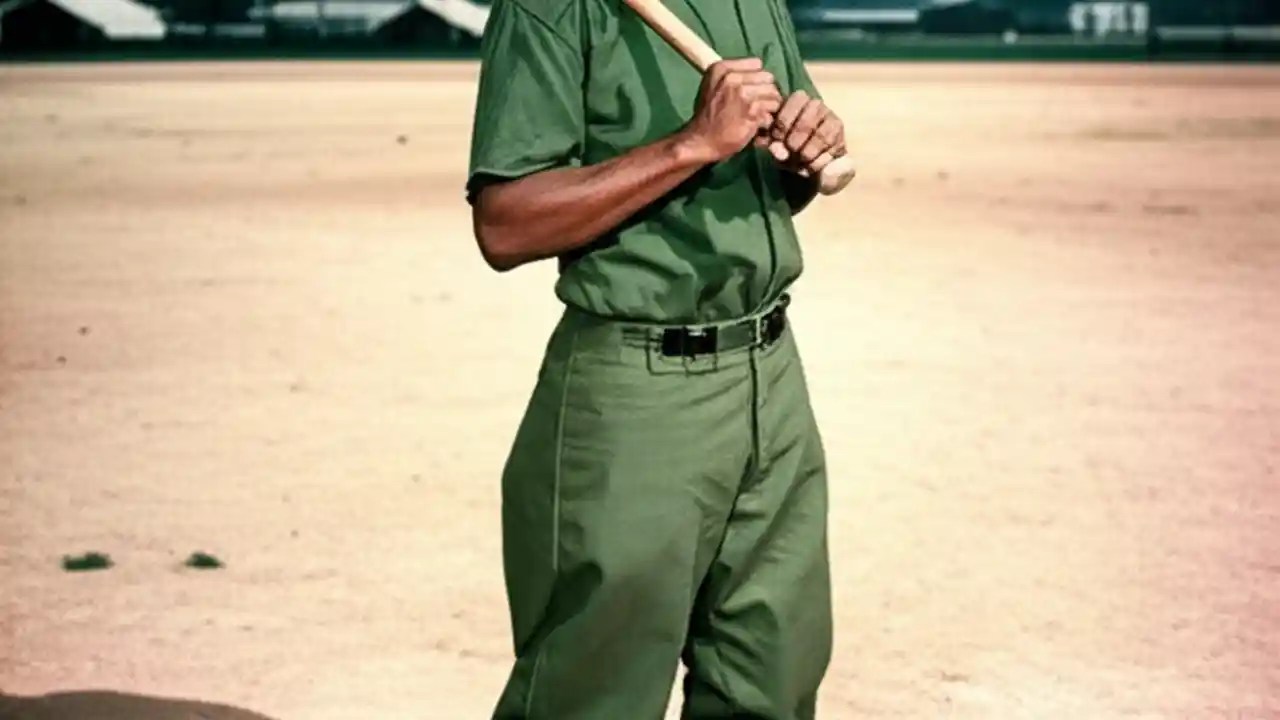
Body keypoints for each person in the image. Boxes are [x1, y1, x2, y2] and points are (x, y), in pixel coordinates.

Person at [466, 0, 847, 717]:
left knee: (771, 677)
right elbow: (505, 224)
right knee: (595, 690)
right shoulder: (549, 11)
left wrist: (805, 148)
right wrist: (691, 144)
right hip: (638, 390)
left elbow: (776, 184)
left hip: (771, 372)